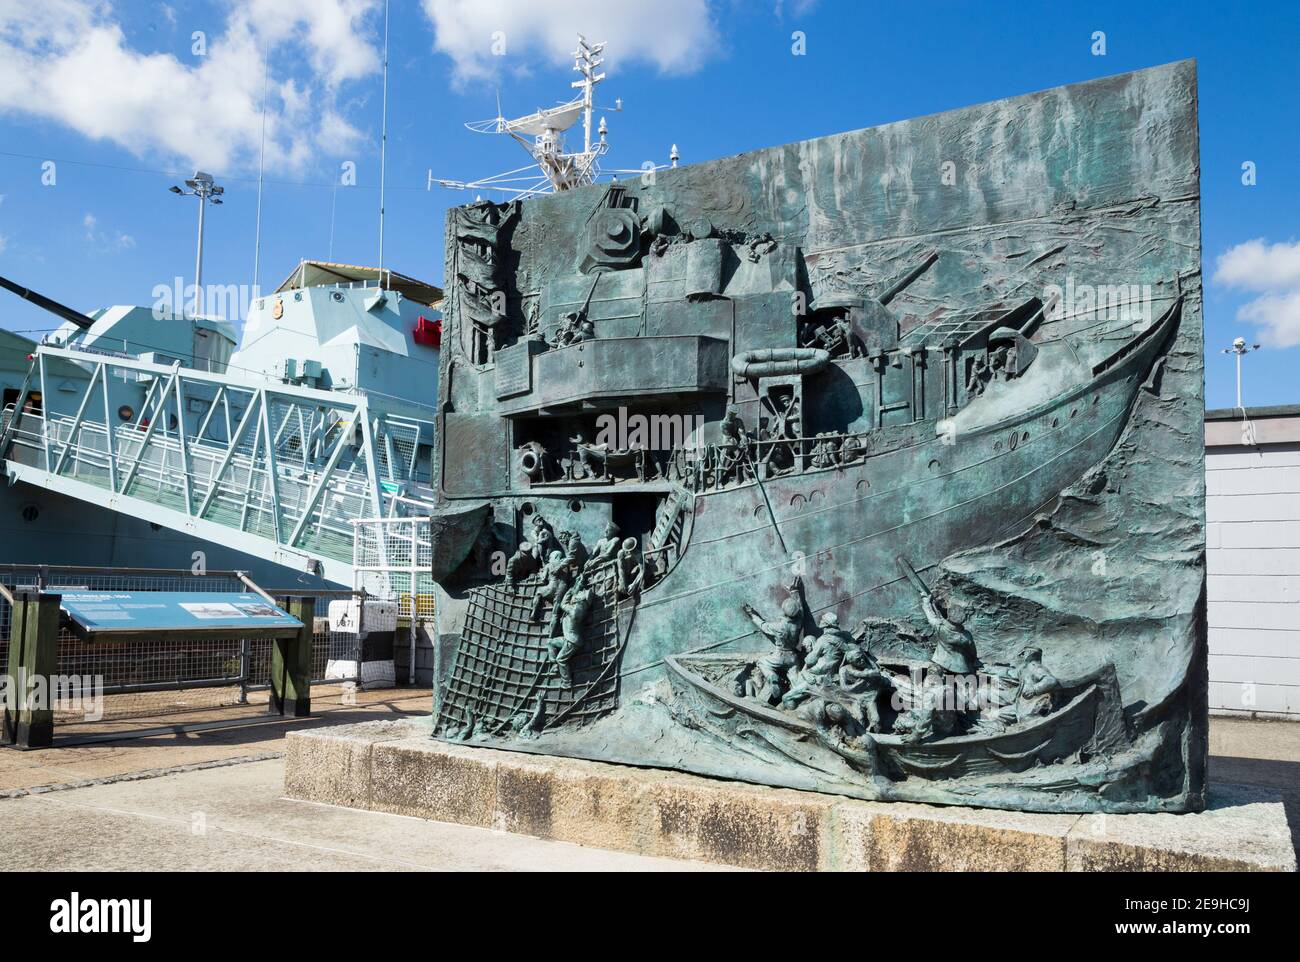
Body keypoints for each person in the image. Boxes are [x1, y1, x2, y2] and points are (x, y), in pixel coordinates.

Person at [741, 577, 804, 704]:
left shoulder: (778, 627)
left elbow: (763, 625)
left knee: (761, 662)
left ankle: (771, 676)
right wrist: (795, 592)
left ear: (784, 611)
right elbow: (801, 609)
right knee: (795, 678)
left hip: (778, 656)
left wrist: (751, 613)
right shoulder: (798, 623)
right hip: (792, 658)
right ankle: (798, 693)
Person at [549, 571, 595, 687]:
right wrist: (578, 585)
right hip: (568, 637)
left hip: (572, 641)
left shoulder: (575, 610)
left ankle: (566, 682)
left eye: (580, 593)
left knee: (561, 659)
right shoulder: (580, 606)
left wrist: (570, 591)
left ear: (582, 599)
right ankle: (555, 666)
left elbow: (563, 604)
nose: (578, 593)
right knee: (550, 643)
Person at [920, 592, 977, 675]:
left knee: (933, 672)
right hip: (960, 668)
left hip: (940, 661)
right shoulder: (966, 636)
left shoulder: (940, 627)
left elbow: (930, 615)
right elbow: (972, 653)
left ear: (949, 615)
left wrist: (926, 602)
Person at [529, 550, 572, 623]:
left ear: (555, 557)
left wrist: (540, 573)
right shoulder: (566, 566)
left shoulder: (549, 565)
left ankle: (534, 614)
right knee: (556, 611)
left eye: (550, 557)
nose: (549, 558)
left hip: (552, 587)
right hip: (563, 589)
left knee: (538, 592)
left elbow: (543, 579)